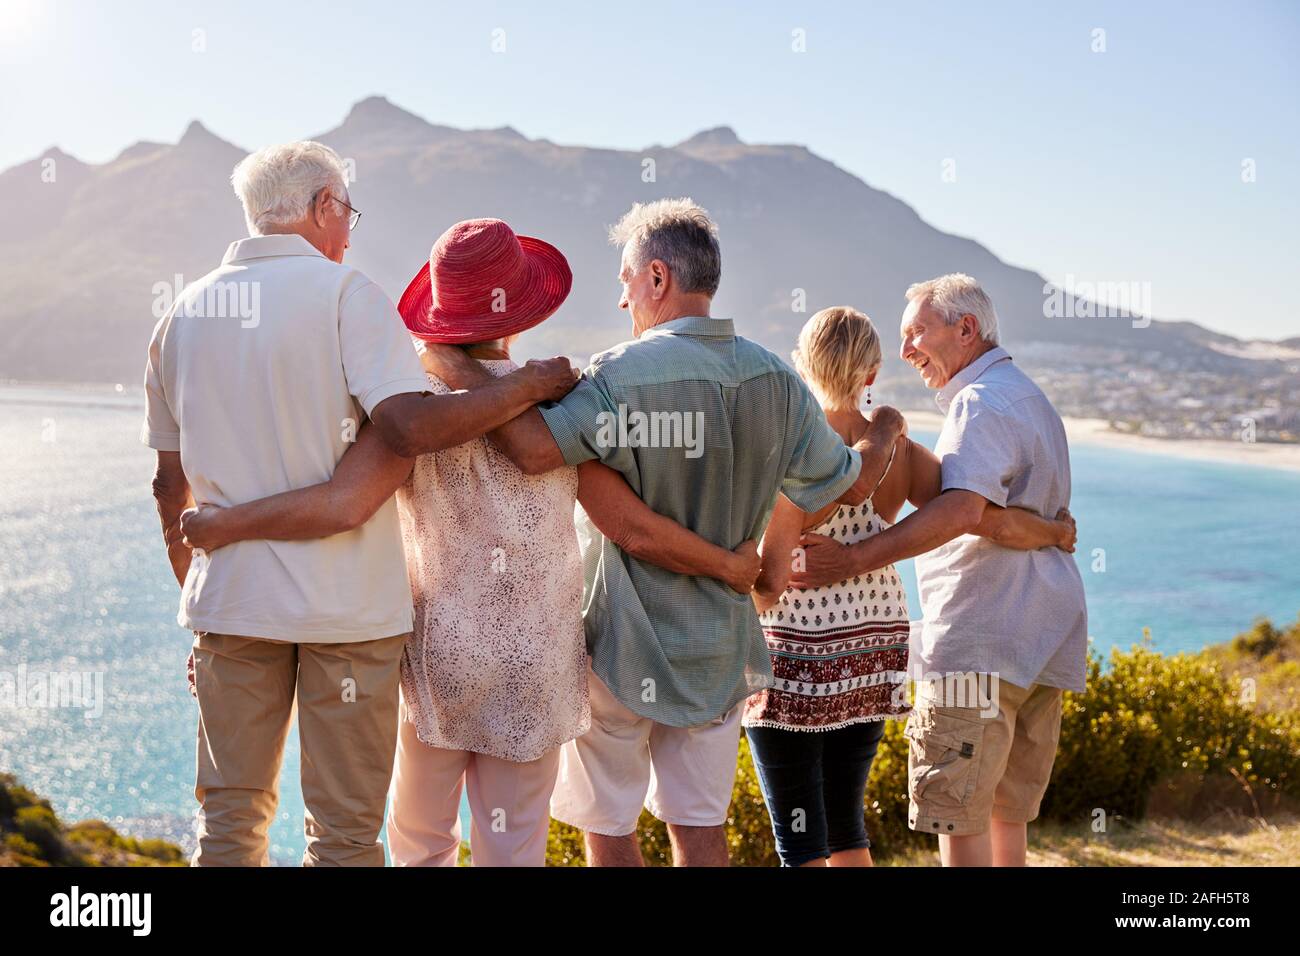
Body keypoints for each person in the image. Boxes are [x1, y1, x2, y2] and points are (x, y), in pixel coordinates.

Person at [180, 218, 762, 866]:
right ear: (518, 311)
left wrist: (225, 524)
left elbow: (344, 503)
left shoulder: (412, 410)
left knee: (422, 843)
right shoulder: (568, 402)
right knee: (512, 850)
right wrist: (730, 565)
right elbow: (622, 521)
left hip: (439, 661)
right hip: (535, 667)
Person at [419, 198, 905, 866]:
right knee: (700, 827)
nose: (623, 300)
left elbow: (533, 451)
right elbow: (846, 484)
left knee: (609, 827)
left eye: (625, 281)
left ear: (656, 278)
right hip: (720, 646)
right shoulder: (779, 380)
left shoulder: (617, 376)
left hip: (624, 644)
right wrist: (882, 434)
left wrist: (454, 365)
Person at [142, 142, 576, 866]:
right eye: (347, 214)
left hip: (232, 605)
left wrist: (200, 588)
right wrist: (524, 385)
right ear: (321, 206)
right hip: (347, 616)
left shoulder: (181, 315)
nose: (349, 235)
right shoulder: (348, 298)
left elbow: (167, 486)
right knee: (343, 836)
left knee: (227, 825)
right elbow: (407, 427)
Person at [747, 306, 1076, 867]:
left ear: (800, 367)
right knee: (848, 826)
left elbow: (766, 588)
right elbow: (973, 513)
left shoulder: (790, 454)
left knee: (798, 838)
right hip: (872, 656)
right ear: (871, 374)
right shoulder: (897, 451)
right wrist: (1052, 530)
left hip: (796, 659)